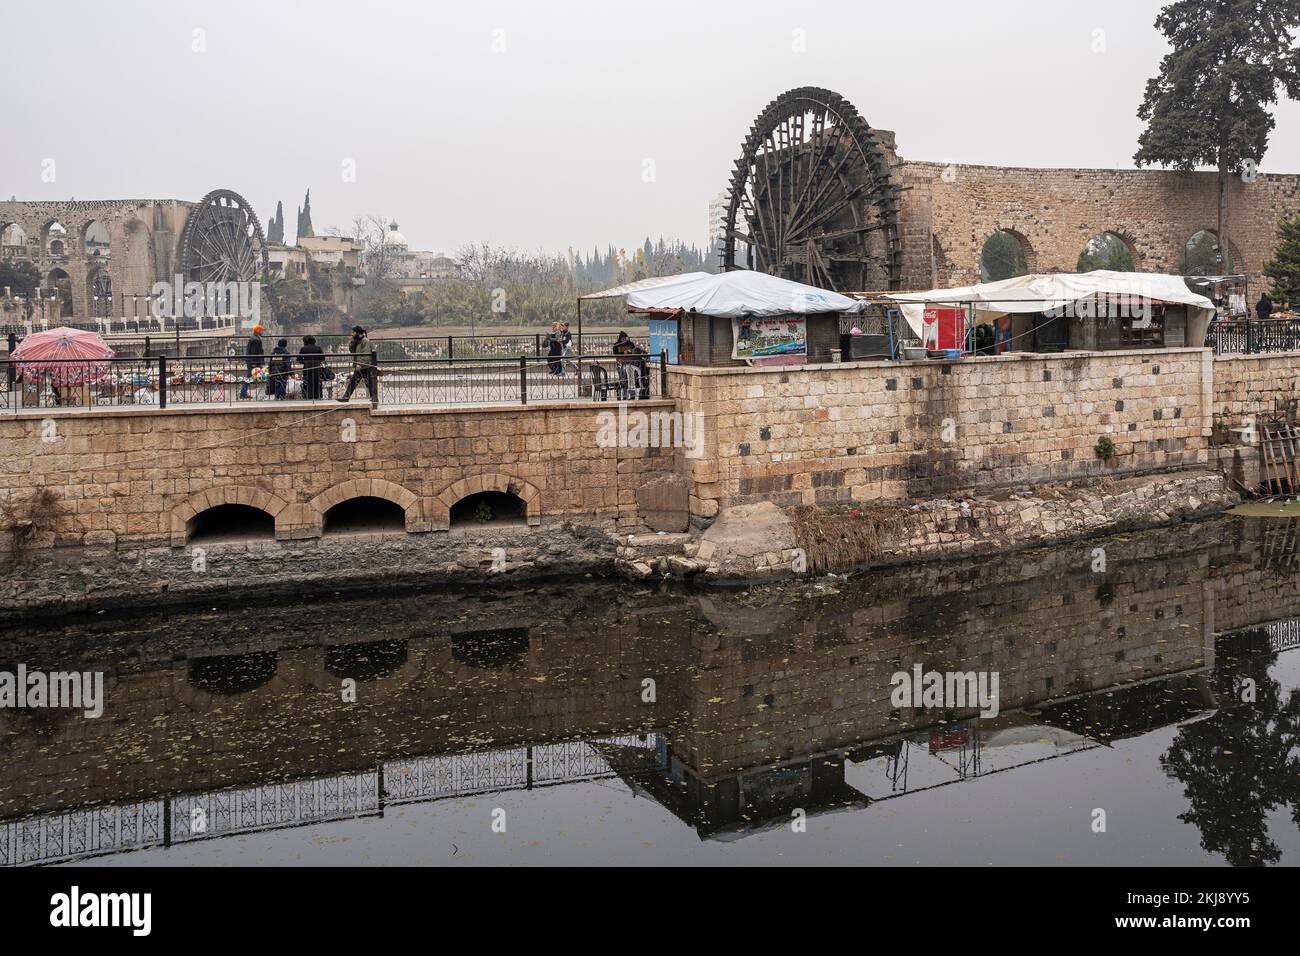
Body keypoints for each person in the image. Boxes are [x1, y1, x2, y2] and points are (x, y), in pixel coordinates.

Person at [338, 325, 376, 401]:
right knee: (354, 382)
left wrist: (360, 364)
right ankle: (346, 397)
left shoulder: (365, 341)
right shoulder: (357, 342)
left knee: (369, 383)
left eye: (354, 332)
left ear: (358, 333)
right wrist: (352, 341)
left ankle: (374, 398)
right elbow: (352, 351)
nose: (352, 334)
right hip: (360, 366)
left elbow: (366, 354)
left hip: (365, 366)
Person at [240, 324, 264, 399]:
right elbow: (254, 352)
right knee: (253, 376)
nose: (262, 332)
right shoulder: (256, 340)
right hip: (254, 361)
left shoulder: (254, 338)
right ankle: (243, 393)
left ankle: (243, 392)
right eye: (261, 330)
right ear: (258, 331)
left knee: (251, 376)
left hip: (253, 361)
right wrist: (254, 363)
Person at [299, 334, 325, 400]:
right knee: (316, 382)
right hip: (316, 368)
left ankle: (308, 396)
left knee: (308, 382)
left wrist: (304, 362)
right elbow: (322, 358)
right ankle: (317, 396)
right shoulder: (318, 348)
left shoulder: (303, 349)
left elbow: (299, 359)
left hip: (307, 368)